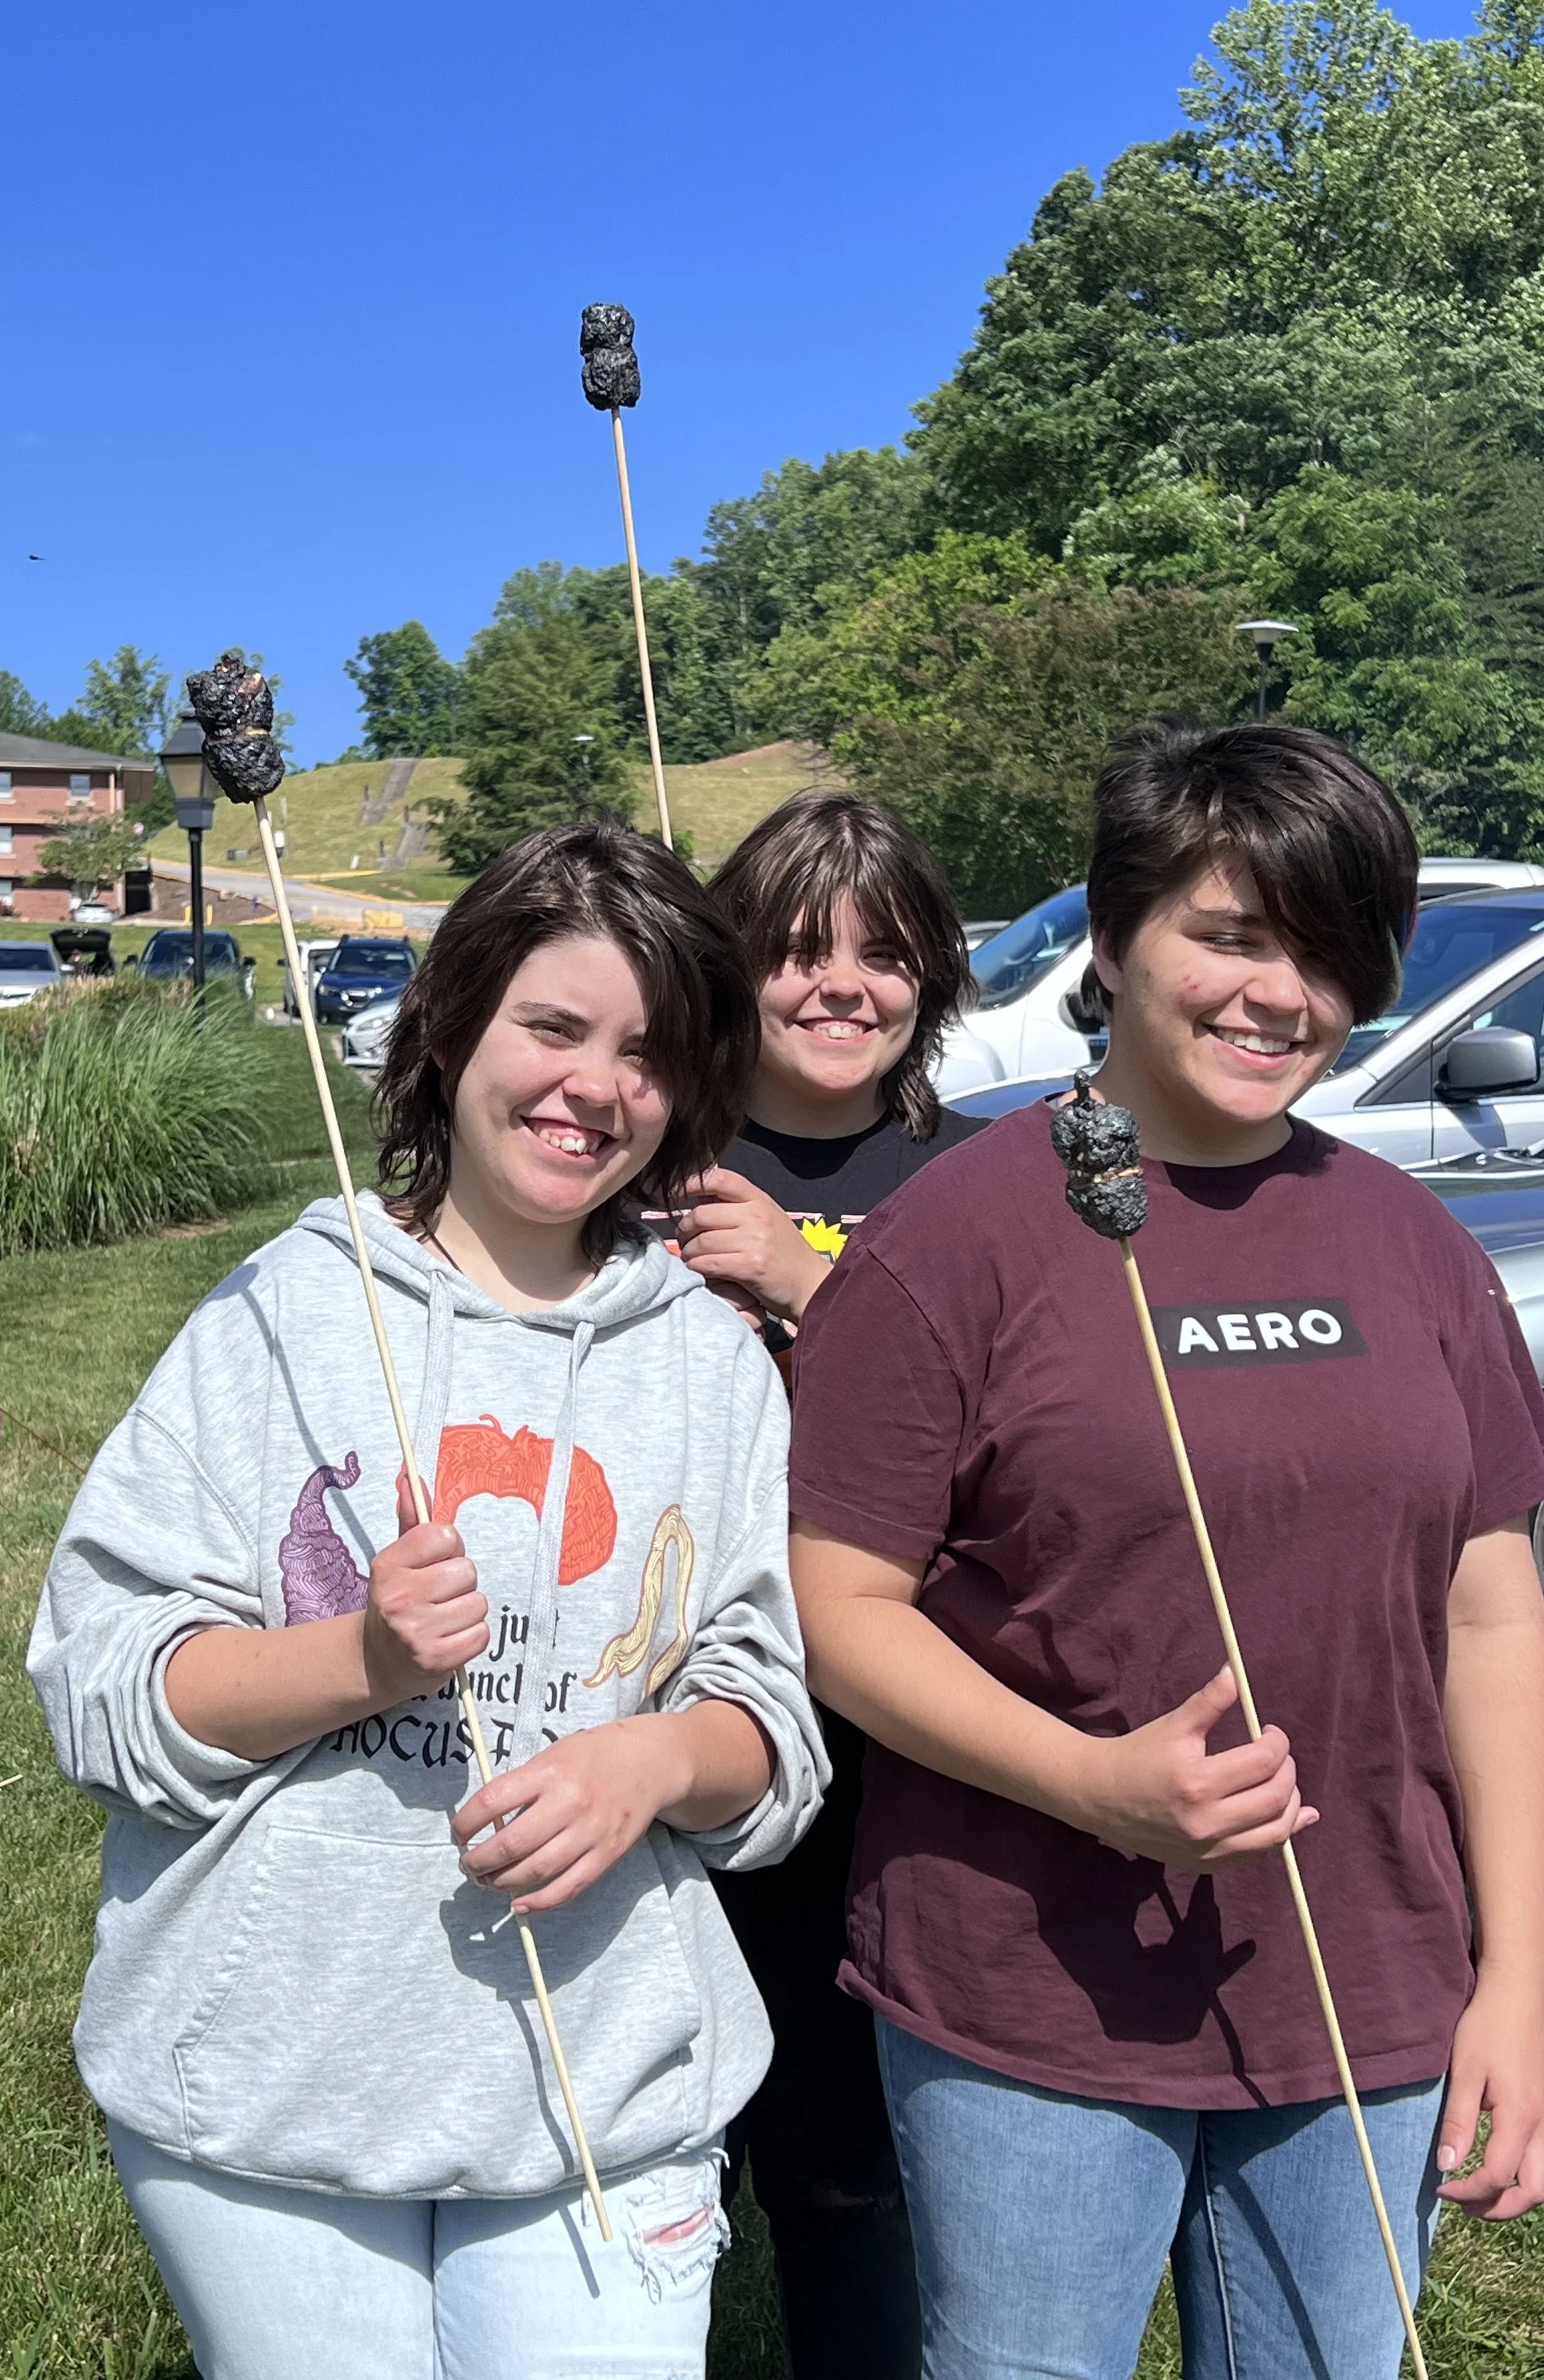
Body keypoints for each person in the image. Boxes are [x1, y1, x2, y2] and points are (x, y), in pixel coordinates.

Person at [788, 721, 1544, 2379]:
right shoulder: (949, 1239)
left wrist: (1517, 1974)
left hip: (1368, 1979)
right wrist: (1092, 1783)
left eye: (1333, 953)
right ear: (1115, 936)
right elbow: (841, 1607)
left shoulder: (1413, 1247)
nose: (1282, 993)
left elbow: (1489, 1613)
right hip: (1026, 1999)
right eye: (1230, 933)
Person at [28, 823, 827, 2380]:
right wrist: (364, 1653)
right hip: (265, 2090)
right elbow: (102, 1687)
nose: (593, 1087)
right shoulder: (274, 1310)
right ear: (452, 1021)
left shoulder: (711, 1360)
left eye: (647, 1054)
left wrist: (655, 1761)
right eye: (552, 1025)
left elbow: (771, 1722)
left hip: (605, 2087)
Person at [674, 792, 978, 2380]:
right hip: (685, 1713)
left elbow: (1033, 1434)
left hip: (902, 1737)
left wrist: (809, 1287)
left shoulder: (984, 1176)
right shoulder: (651, 1153)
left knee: (848, 2159)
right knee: (669, 2140)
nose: (838, 983)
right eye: (795, 949)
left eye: (883, 951)